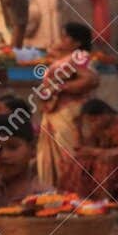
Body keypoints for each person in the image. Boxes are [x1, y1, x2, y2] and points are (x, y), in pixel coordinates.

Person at [34, 22, 99, 189]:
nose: (60, 39)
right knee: (50, 157)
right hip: (53, 113)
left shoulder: (79, 57)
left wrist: (60, 88)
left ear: (77, 42)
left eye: (65, 36)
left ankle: (74, 192)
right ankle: (55, 194)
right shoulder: (63, 58)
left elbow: (91, 80)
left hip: (69, 112)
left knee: (69, 154)